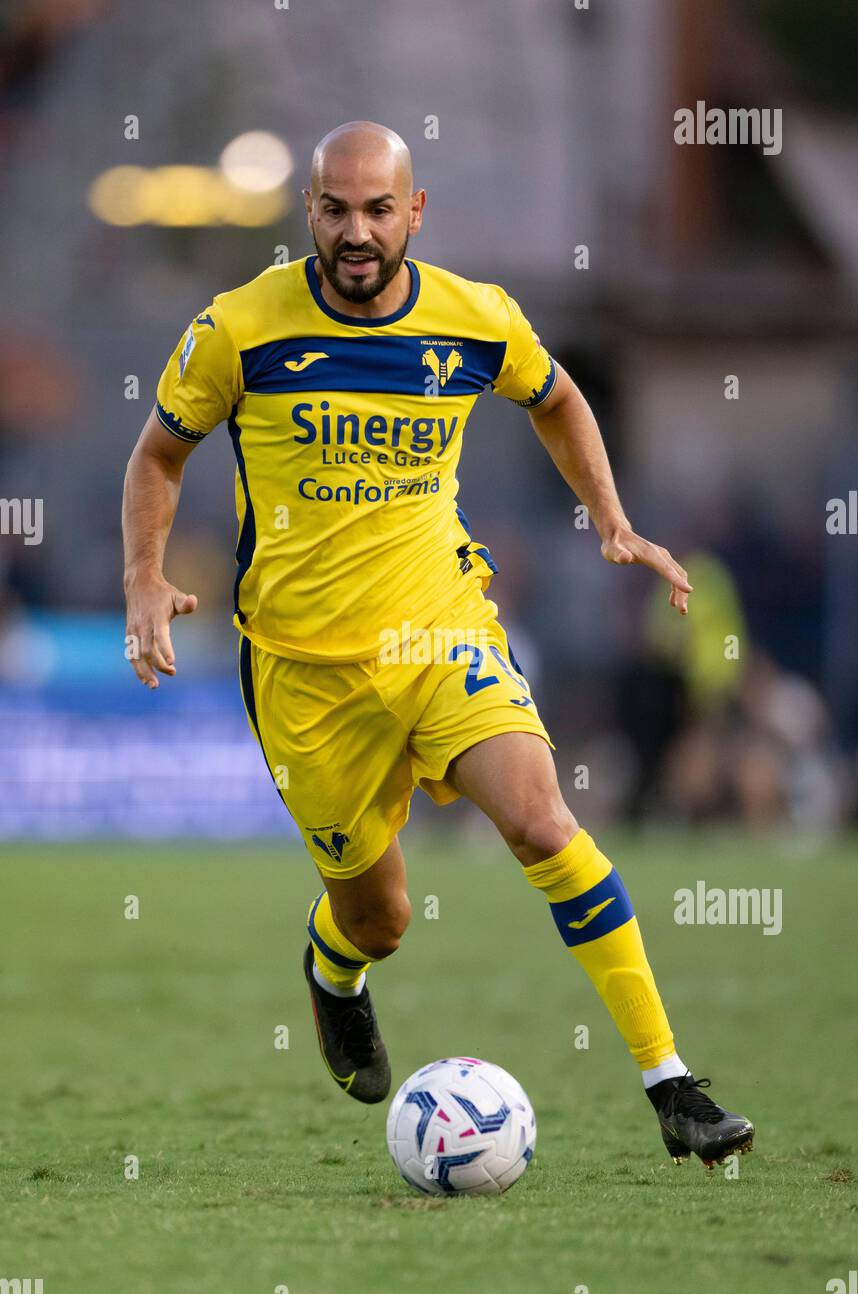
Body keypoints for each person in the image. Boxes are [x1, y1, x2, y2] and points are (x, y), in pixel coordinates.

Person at [122, 121, 754, 1168]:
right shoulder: (237, 330)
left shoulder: (476, 318)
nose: (356, 230)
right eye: (335, 209)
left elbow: (555, 396)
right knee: (379, 918)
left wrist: (607, 516)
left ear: (414, 213)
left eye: (379, 209)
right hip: (302, 674)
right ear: (308, 214)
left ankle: (669, 1083)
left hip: (440, 632)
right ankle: (334, 976)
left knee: (544, 824)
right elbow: (158, 455)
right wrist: (144, 576)